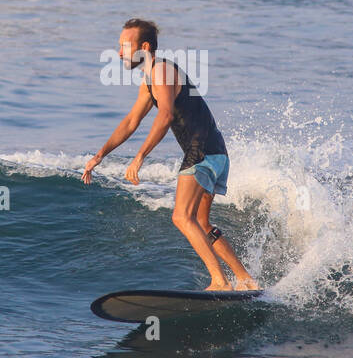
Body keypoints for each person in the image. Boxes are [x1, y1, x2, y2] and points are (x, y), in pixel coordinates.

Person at [82, 19, 259, 292]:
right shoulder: (150, 78)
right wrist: (100, 155)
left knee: (180, 217)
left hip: (202, 152)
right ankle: (245, 279)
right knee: (200, 221)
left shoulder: (162, 71)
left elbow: (164, 115)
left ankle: (220, 281)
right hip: (216, 152)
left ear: (143, 47)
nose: (119, 53)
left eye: (124, 46)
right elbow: (131, 121)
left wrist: (140, 156)